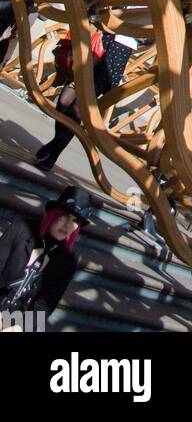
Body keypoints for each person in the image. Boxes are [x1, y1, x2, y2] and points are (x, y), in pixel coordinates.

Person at [35, 24, 133, 170]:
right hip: (99, 35)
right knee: (63, 101)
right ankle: (54, 143)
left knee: (77, 109)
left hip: (119, 45)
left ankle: (53, 155)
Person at [0, 185, 92, 323]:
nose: (67, 225)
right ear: (54, 213)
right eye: (65, 215)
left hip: (16, 321)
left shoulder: (68, 261)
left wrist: (21, 328)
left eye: (75, 221)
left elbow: (45, 305)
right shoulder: (21, 228)